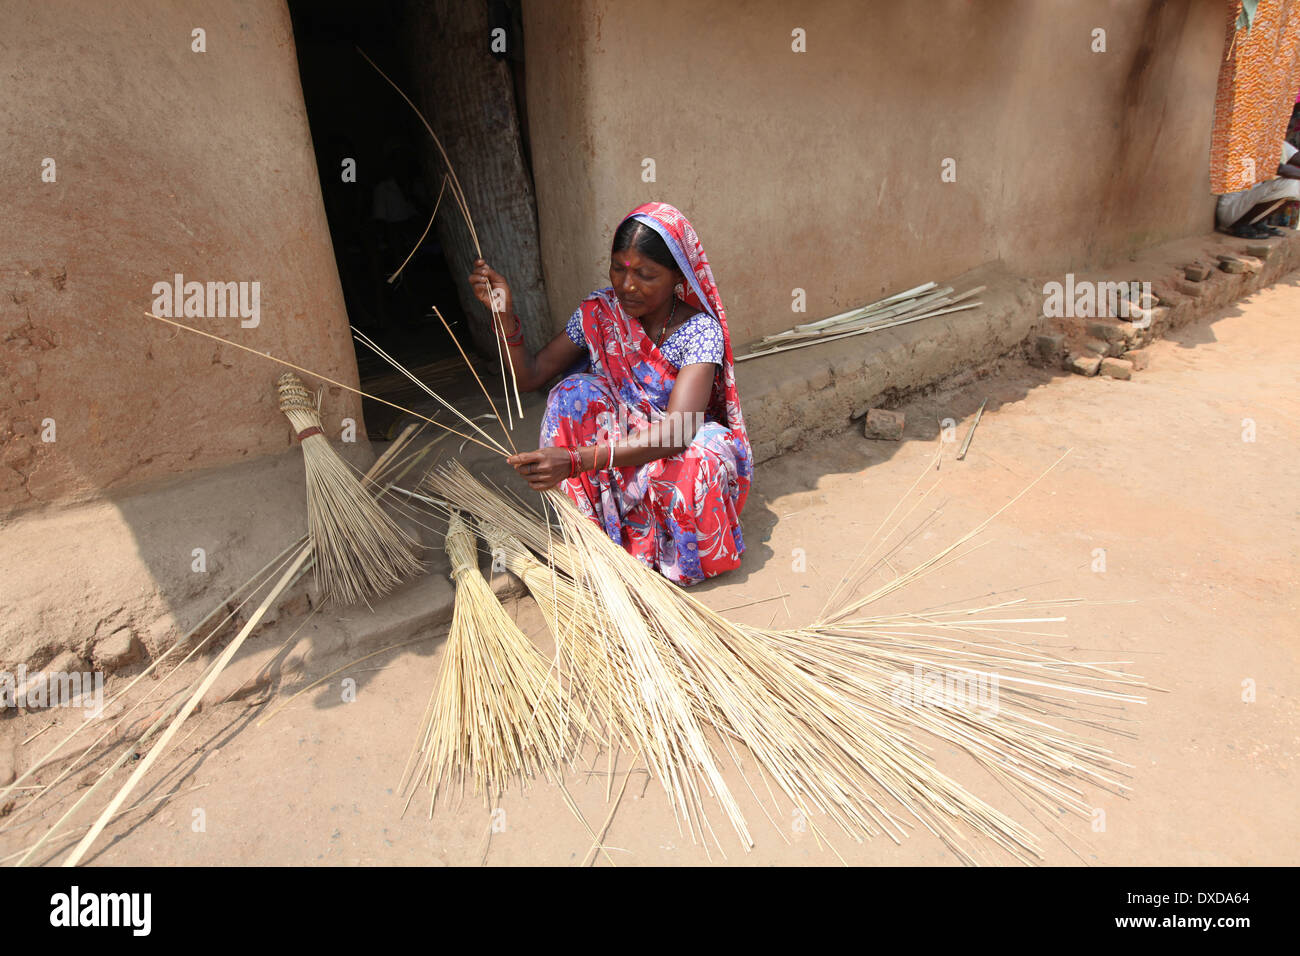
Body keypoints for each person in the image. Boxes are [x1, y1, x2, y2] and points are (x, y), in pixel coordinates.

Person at [466, 202, 752, 585]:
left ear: (677, 277)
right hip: (617, 453)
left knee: (702, 457)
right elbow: (530, 376)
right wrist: (502, 313)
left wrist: (576, 460)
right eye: (619, 268)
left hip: (667, 454)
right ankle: (596, 536)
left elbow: (679, 431)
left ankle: (674, 550)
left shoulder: (699, 330)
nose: (627, 285)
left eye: (646, 274)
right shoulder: (599, 312)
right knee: (573, 393)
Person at [1215, 140, 1300, 237]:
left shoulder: (1275, 141)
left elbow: (1296, 156)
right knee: (1292, 184)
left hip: (1243, 206)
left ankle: (1255, 223)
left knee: (1295, 184)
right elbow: (1280, 169)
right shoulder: (1248, 142)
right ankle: (1240, 225)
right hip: (1231, 210)